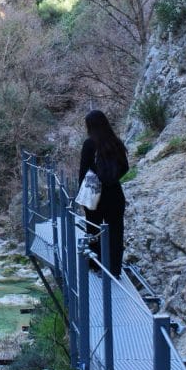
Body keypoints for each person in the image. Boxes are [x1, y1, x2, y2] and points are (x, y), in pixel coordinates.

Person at [78, 109, 129, 278]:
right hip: (115, 193)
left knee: (93, 229)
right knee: (116, 231)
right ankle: (114, 270)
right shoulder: (116, 142)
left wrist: (82, 194)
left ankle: (95, 265)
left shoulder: (89, 144)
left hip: (95, 195)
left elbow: (83, 171)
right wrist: (112, 179)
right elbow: (125, 167)